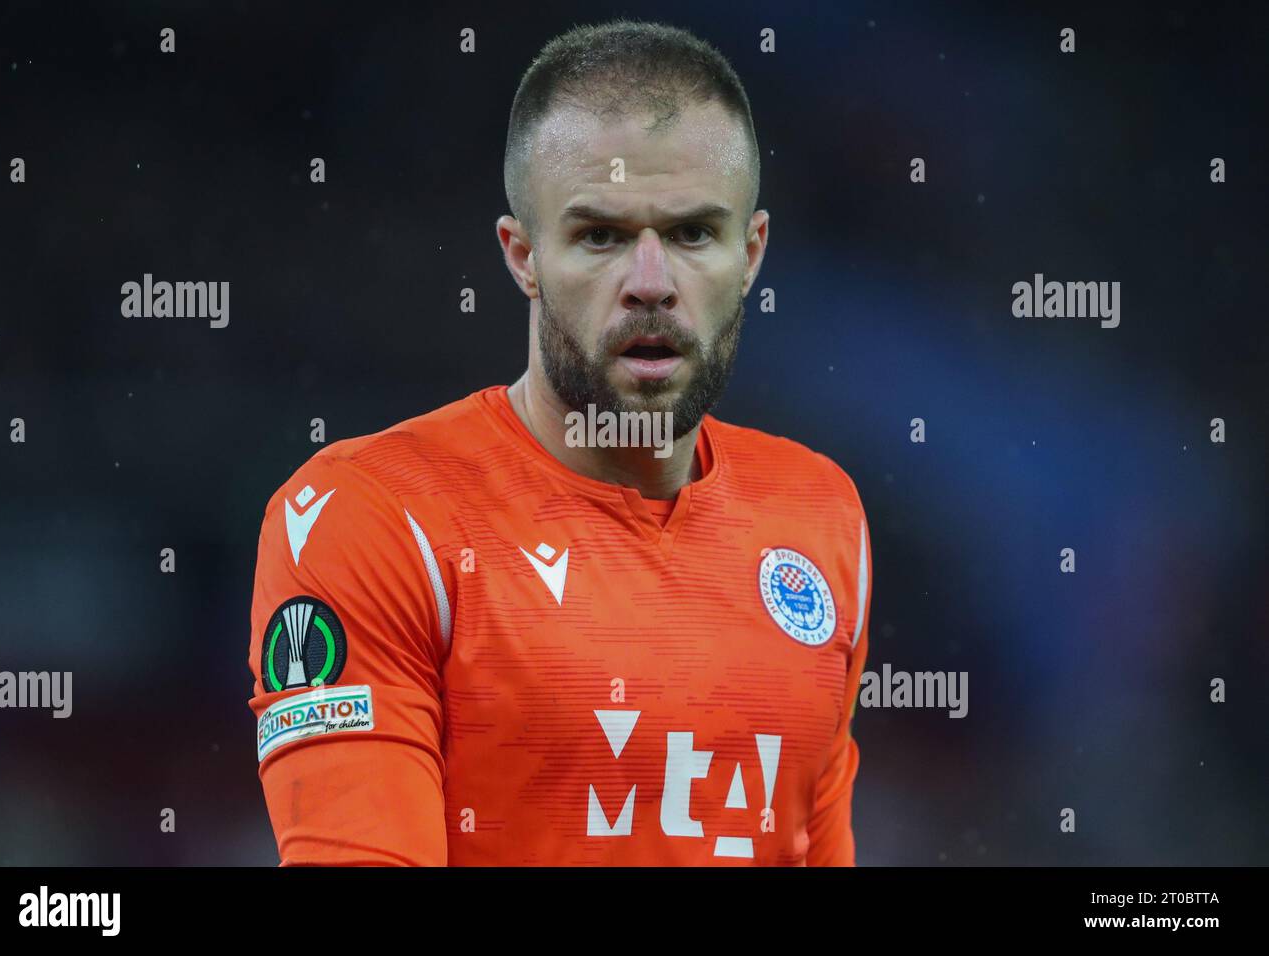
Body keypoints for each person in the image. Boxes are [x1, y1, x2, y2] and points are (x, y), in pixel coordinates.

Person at [248, 18, 871, 865]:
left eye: (693, 233)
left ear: (751, 252)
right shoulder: (370, 519)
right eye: (600, 236)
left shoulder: (821, 515)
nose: (650, 285)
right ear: (523, 256)